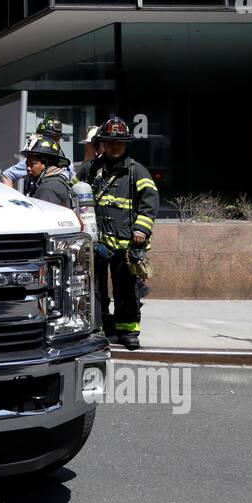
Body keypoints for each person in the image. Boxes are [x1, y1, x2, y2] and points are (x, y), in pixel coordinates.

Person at [73, 116, 159, 350]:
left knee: (127, 290)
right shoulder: (90, 170)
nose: (115, 146)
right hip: (96, 244)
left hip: (126, 245)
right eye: (110, 141)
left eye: (119, 142)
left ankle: (128, 331)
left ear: (126, 144)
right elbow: (75, 195)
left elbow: (150, 203)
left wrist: (141, 229)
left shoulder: (136, 171)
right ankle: (100, 328)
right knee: (96, 290)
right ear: (102, 143)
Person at [0, 116, 69, 189]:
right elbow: (7, 176)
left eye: (57, 138)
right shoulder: (33, 162)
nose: (55, 142)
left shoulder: (62, 158)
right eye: (51, 138)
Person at [21, 136, 74, 208]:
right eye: (27, 164)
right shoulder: (58, 181)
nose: (28, 168)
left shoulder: (48, 188)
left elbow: (45, 217)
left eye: (32, 163)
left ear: (47, 163)